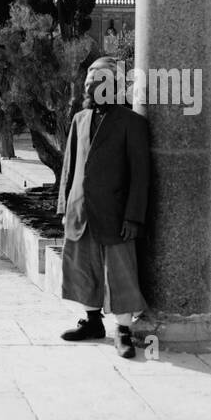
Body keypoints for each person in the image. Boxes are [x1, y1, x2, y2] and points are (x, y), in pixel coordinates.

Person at [57, 55, 149, 359]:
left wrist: (134, 216)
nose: (88, 86)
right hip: (80, 211)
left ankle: (123, 331)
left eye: (94, 81)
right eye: (86, 81)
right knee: (83, 271)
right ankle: (92, 322)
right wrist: (63, 208)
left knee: (120, 276)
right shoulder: (79, 119)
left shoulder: (132, 123)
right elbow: (69, 168)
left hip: (115, 214)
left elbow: (140, 175)